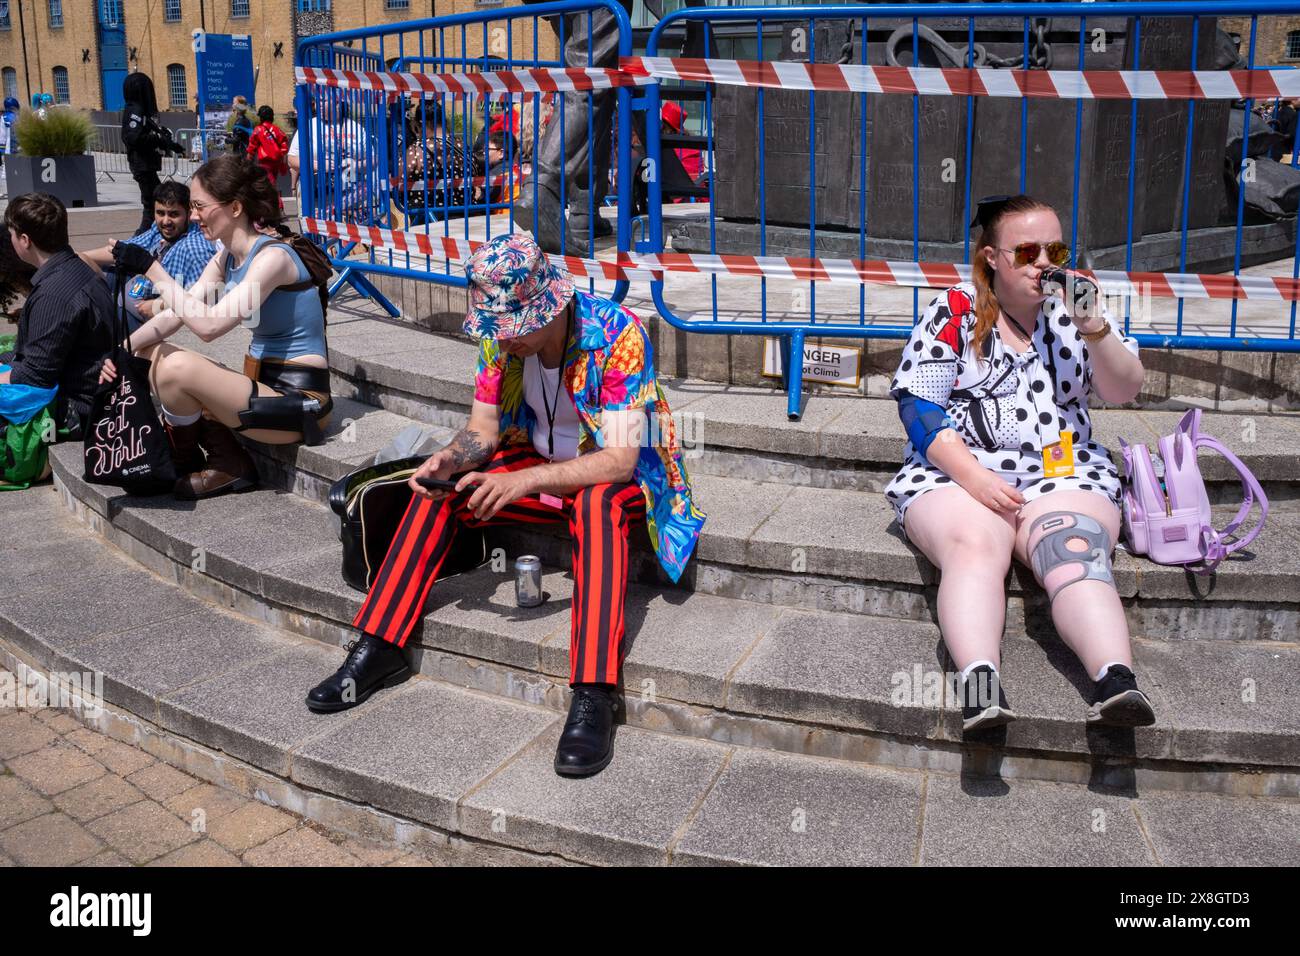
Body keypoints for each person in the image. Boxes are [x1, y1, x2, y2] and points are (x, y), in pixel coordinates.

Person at [304, 233, 707, 778]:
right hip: (537, 466)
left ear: (551, 307)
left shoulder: (619, 336)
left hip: (620, 483)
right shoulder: (500, 338)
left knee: (597, 506)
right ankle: (379, 644)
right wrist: (448, 460)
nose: (502, 341)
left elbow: (618, 460)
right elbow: (482, 431)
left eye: (512, 329)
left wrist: (524, 483)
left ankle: (595, 693)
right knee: (441, 493)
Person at [884, 194, 1153, 733]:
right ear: (991, 257)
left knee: (1071, 546)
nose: (1045, 264)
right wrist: (977, 480)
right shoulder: (955, 311)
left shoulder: (1076, 313)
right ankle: (981, 687)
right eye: (1027, 252)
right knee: (976, 545)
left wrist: (1095, 326)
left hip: (1064, 471)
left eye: (1055, 249)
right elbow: (918, 410)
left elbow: (1124, 389)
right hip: (956, 471)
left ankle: (1116, 680)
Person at [101, 154, 332, 500]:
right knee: (149, 351)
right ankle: (204, 459)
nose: (193, 216)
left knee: (177, 366)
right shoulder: (225, 256)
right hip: (258, 386)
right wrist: (119, 352)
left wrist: (153, 269)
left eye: (199, 206)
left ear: (235, 207)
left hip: (299, 403)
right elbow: (174, 315)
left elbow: (210, 327)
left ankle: (200, 461)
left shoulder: (273, 259)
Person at [0, 193, 115, 438]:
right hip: (91, 394)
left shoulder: (53, 295)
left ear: (24, 240)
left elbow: (34, 376)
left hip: (75, 411)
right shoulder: (79, 269)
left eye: (11, 235)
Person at [79, 180, 217, 333]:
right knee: (84, 270)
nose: (165, 221)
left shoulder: (194, 248)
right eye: (160, 213)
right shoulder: (159, 230)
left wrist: (158, 305)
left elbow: (205, 296)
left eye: (174, 214)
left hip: (143, 317)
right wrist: (80, 256)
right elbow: (126, 250)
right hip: (135, 289)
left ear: (189, 214)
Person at [122, 73, 185, 235]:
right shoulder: (135, 110)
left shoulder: (141, 112)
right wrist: (156, 138)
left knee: (155, 200)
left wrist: (167, 142)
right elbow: (132, 137)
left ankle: (147, 233)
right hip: (141, 164)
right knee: (153, 202)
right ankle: (143, 235)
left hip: (146, 164)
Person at [246, 105, 290, 190]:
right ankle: (274, 201)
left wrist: (247, 162)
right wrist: (283, 164)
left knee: (270, 186)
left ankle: (277, 202)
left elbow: (251, 148)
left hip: (264, 162)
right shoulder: (277, 130)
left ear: (260, 117)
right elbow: (284, 148)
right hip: (276, 162)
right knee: (272, 182)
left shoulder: (258, 130)